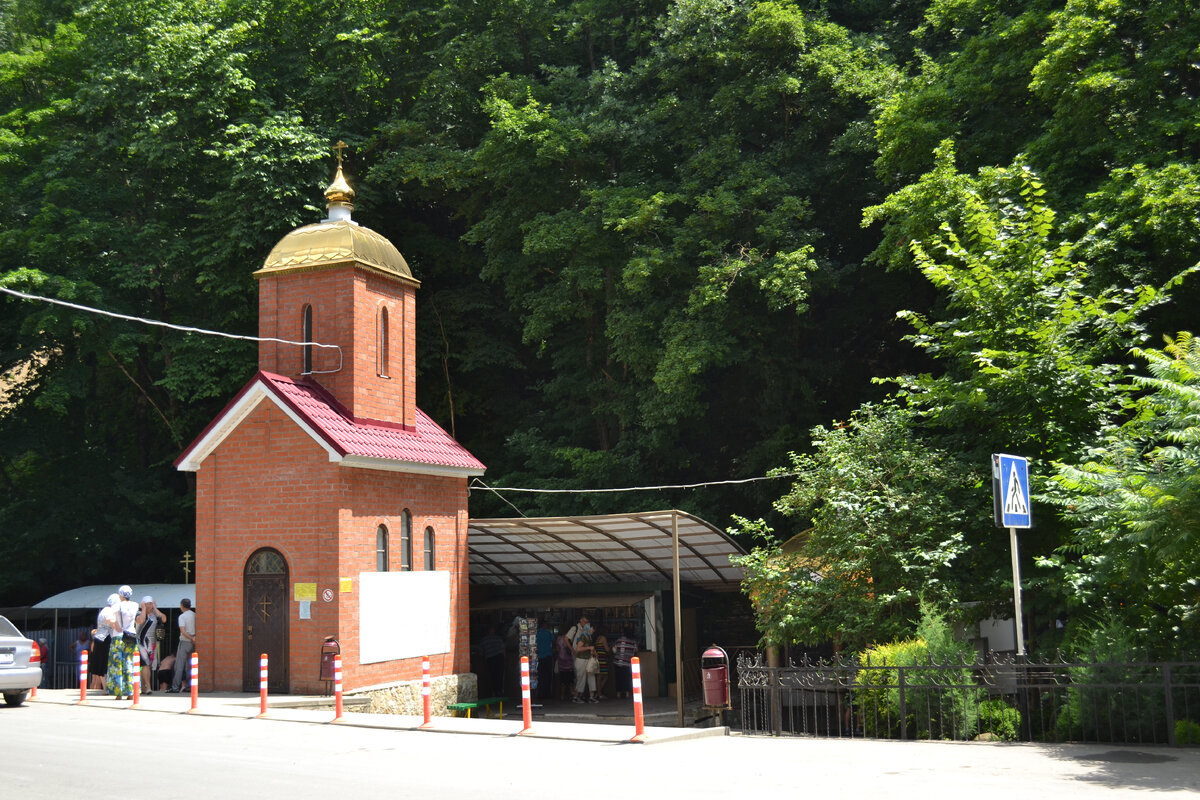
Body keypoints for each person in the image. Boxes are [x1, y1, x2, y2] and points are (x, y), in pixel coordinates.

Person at [108, 585, 139, 699]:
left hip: (118, 637)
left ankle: (118, 693)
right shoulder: (135, 605)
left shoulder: (117, 605)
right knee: (130, 663)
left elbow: (109, 617)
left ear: (120, 595)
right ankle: (131, 692)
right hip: (131, 636)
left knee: (117, 665)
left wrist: (115, 625)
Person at [136, 596, 167, 694]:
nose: (149, 605)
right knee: (145, 665)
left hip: (152, 644)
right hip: (141, 642)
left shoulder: (154, 614)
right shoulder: (139, 613)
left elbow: (164, 619)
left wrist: (155, 608)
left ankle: (143, 687)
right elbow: (141, 621)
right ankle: (148, 687)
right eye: (146, 604)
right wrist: (144, 609)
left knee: (147, 666)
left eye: (150, 603)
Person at [89, 594, 118, 691]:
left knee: (101, 664)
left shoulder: (103, 610)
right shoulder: (110, 611)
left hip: (99, 638)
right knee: (106, 663)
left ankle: (105, 688)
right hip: (106, 638)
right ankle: (106, 688)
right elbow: (112, 625)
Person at [169, 598, 196, 692]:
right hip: (193, 642)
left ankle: (175, 687)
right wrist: (194, 638)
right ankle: (188, 686)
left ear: (182, 606)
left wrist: (190, 637)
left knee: (179, 665)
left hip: (185, 641)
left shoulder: (182, 616)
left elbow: (183, 631)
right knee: (189, 665)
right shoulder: (195, 615)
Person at [572, 616, 598, 703]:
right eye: (592, 628)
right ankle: (576, 697)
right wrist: (589, 647)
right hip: (581, 660)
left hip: (587, 660)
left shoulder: (588, 637)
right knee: (581, 679)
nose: (593, 631)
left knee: (591, 677)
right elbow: (578, 649)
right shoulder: (583, 636)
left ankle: (591, 696)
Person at [478, 625, 506, 697]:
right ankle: (499, 691)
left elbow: (480, 653)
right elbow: (503, 650)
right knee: (500, 675)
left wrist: (482, 662)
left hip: (490, 659)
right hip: (499, 658)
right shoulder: (498, 638)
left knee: (492, 676)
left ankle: (494, 691)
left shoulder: (484, 640)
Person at [611, 629, 638, 700]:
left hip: (618, 662)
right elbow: (636, 651)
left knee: (619, 678)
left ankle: (618, 693)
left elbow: (614, 650)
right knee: (627, 678)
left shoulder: (619, 640)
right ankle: (627, 693)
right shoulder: (633, 642)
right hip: (628, 663)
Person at [554, 628, 575, 700]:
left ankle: (562, 695)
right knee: (571, 680)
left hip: (561, 660)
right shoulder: (569, 639)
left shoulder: (559, 638)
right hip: (569, 661)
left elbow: (557, 649)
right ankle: (572, 693)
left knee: (563, 680)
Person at [535, 620, 555, 700]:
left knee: (540, 676)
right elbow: (553, 642)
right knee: (547, 676)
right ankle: (547, 694)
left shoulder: (536, 633)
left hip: (539, 657)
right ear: (545, 625)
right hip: (548, 656)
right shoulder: (548, 633)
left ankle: (540, 694)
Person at [593, 630, 610, 700]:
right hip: (602, 659)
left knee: (599, 677)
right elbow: (607, 649)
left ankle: (598, 692)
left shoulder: (597, 638)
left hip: (597, 658)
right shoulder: (603, 638)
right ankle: (599, 693)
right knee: (604, 676)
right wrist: (612, 648)